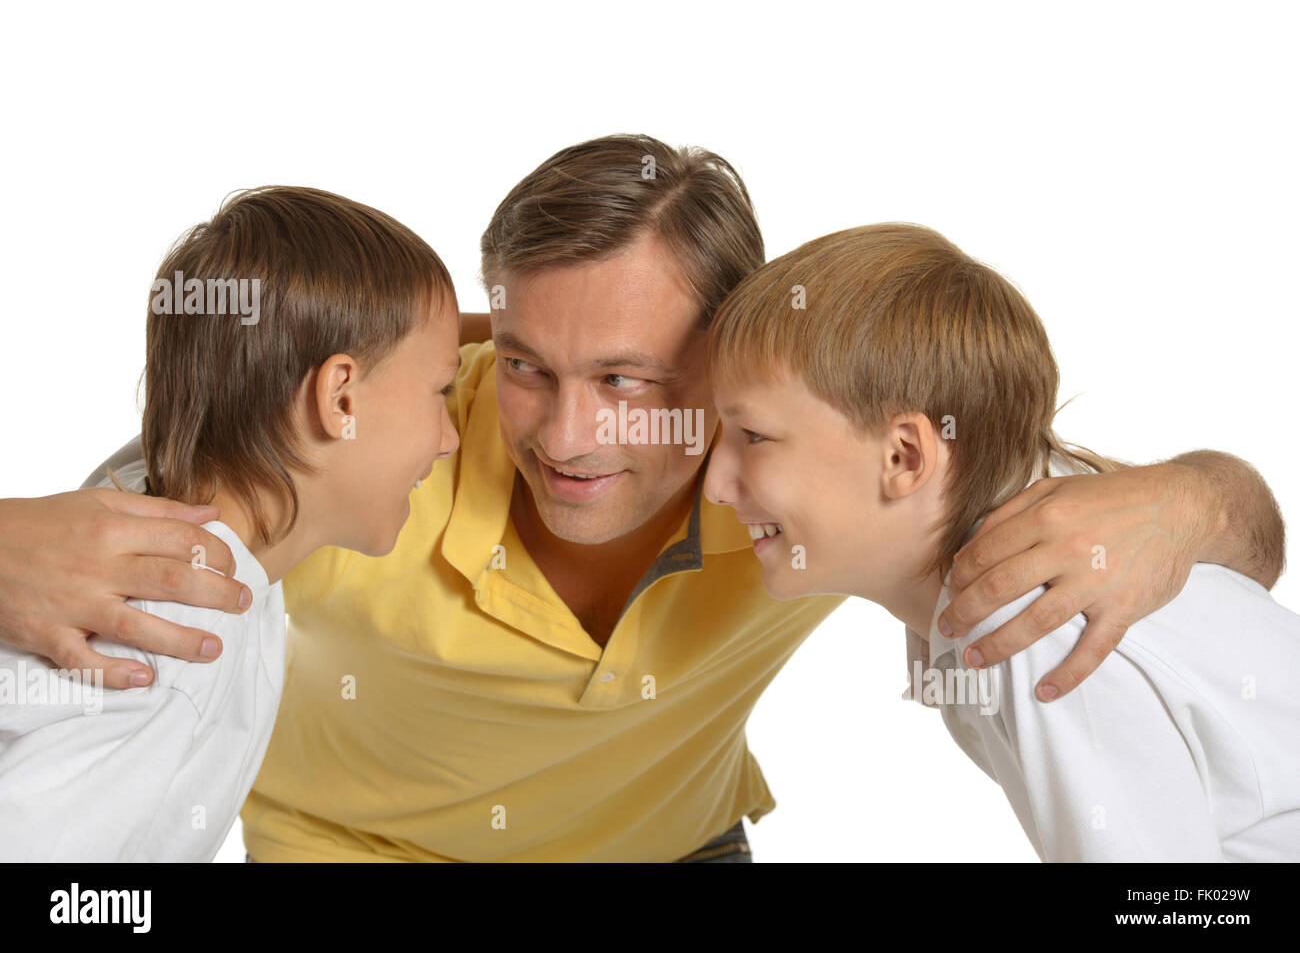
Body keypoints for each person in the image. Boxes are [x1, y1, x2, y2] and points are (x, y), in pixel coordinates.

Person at [0, 136, 1286, 862]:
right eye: (526, 367)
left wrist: (1183, 501)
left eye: (630, 379)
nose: (570, 435)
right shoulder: (365, 445)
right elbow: (181, 507)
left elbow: (1239, 539)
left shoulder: (804, 477)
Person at [702, 222, 1297, 861]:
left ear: (905, 456)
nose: (715, 484)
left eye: (754, 436)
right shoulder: (1031, 532)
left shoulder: (1033, 613)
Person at [0, 186, 461, 860]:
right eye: (441, 391)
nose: (450, 438)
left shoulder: (155, 499)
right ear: (340, 398)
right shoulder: (182, 623)